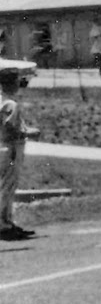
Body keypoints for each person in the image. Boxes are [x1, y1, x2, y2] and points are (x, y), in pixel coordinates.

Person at [1, 68, 40, 240]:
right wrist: (28, 133)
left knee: (4, 186)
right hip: (10, 148)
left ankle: (6, 222)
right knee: (7, 187)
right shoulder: (10, 104)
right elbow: (10, 129)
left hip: (3, 146)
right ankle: (4, 225)